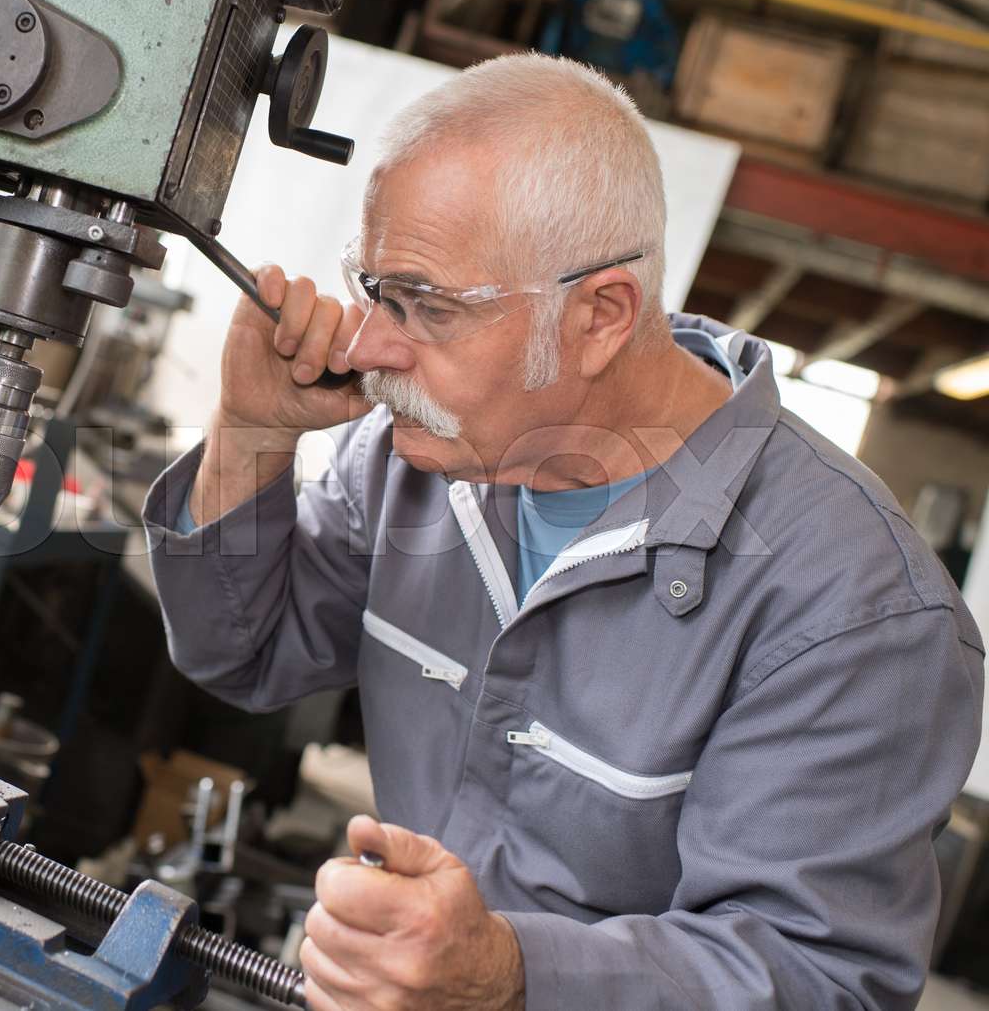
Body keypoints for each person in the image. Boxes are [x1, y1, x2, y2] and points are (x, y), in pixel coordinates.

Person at [143, 53, 985, 1010]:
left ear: (600, 317)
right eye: (375, 291)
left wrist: (509, 976)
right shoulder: (407, 456)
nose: (371, 347)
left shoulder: (859, 613)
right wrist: (249, 435)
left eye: (427, 306)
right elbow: (238, 656)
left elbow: (819, 979)